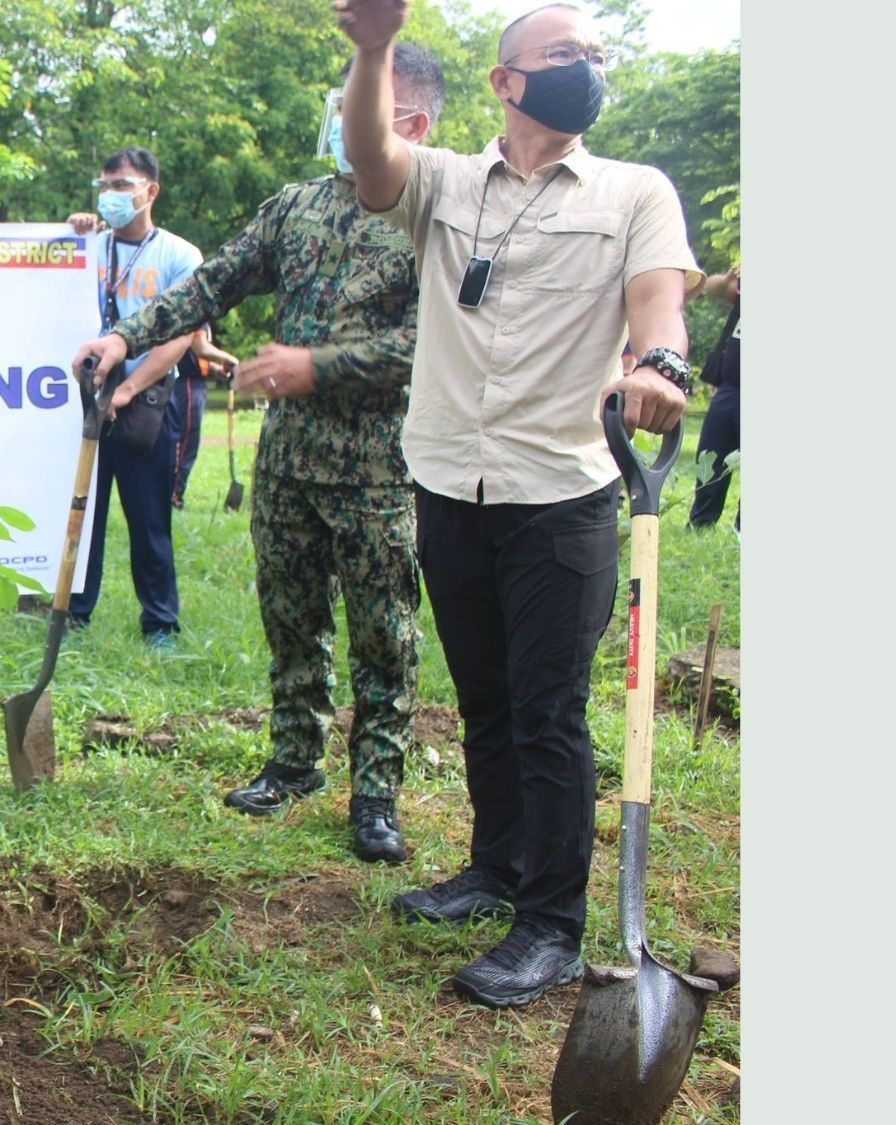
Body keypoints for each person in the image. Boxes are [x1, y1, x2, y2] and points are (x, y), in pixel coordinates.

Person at [334, 0, 699, 1007]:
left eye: (593, 53)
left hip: (561, 489)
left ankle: (548, 923)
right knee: (485, 702)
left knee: (546, 713)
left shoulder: (633, 191)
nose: (584, 67)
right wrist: (371, 53)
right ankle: (492, 868)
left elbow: (656, 297)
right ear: (503, 81)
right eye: (561, 54)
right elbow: (370, 162)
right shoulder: (446, 181)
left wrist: (656, 362)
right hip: (448, 478)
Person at [73, 44, 444, 865]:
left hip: (378, 463)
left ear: (406, 119)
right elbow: (210, 286)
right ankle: (294, 760)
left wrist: (319, 367)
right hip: (289, 464)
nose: (341, 119)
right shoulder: (297, 207)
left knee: (383, 630)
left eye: (357, 103)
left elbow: (435, 344)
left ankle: (375, 791)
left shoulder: (438, 220)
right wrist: (124, 334)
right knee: (291, 616)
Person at [66, 147, 205, 653]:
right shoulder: (88, 246)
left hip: (148, 401)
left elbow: (182, 334)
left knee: (149, 519)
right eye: (104, 186)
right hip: (87, 397)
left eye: (122, 186)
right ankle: (74, 612)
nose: (111, 196)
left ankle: (160, 625)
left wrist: (127, 388)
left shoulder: (179, 256)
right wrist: (68, 235)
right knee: (83, 510)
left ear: (151, 191)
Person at [688, 266, 740, 531]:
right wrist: (730, 279)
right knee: (710, 453)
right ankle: (701, 521)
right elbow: (714, 288)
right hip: (730, 385)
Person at [169, 326, 220, 510]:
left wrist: (216, 367)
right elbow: (201, 348)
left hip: (196, 381)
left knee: (189, 441)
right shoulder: (196, 309)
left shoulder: (205, 320)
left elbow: (198, 357)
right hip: (186, 382)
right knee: (186, 439)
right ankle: (174, 494)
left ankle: (175, 492)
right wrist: (232, 360)